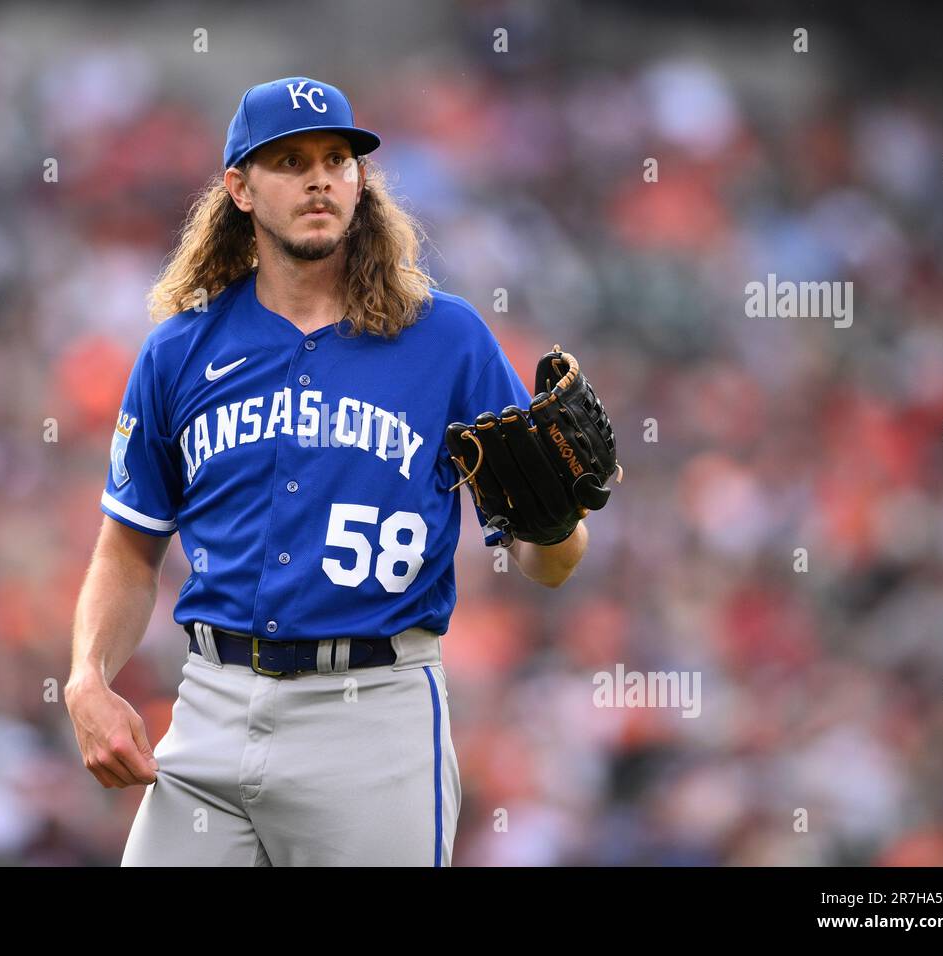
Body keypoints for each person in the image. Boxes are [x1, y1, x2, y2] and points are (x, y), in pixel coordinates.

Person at [64, 76, 589, 867]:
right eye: (289, 160)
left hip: (372, 719)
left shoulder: (447, 340)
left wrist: (552, 528)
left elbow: (550, 562)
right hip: (211, 706)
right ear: (239, 188)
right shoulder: (180, 350)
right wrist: (87, 678)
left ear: (360, 180)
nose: (319, 177)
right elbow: (128, 550)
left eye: (338, 158)